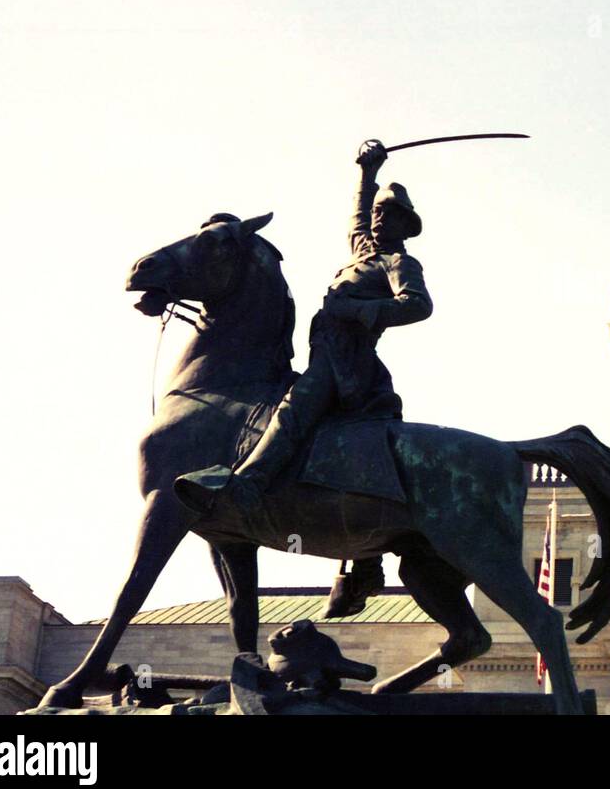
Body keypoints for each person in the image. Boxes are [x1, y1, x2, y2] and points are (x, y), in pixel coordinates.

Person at [176, 139, 431, 613]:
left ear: (403, 225)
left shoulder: (399, 263)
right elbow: (356, 214)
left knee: (294, 409)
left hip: (346, 367)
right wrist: (367, 171)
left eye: (388, 213)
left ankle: (248, 484)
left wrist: (356, 309)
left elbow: (417, 306)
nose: (378, 217)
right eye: (378, 211)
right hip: (324, 354)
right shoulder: (363, 249)